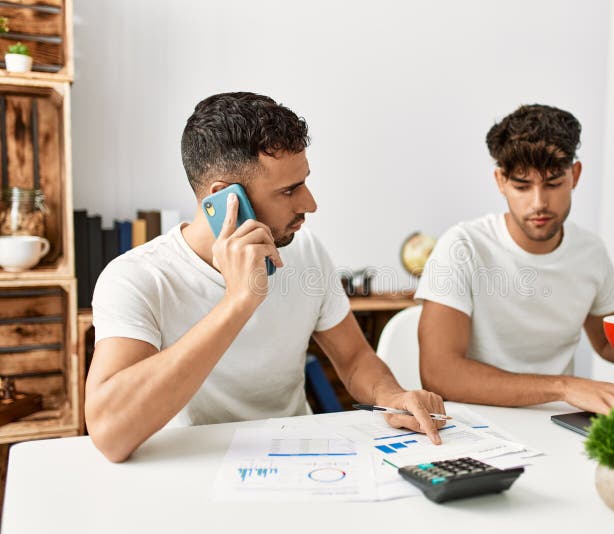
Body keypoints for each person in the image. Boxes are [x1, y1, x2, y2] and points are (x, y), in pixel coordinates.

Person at [85, 92, 445, 463]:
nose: (310, 204)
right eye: (289, 190)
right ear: (226, 199)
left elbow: (354, 359)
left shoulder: (306, 251)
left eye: (303, 182)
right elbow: (111, 435)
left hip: (298, 458)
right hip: (195, 467)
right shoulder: (136, 278)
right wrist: (239, 300)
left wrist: (392, 395)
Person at [415, 104, 614, 413]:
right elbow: (440, 374)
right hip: (480, 422)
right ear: (501, 181)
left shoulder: (590, 251)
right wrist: (564, 387)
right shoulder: (464, 247)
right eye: (522, 186)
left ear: (575, 175)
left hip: (557, 420)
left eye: (553, 184)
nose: (539, 203)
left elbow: (608, 347)